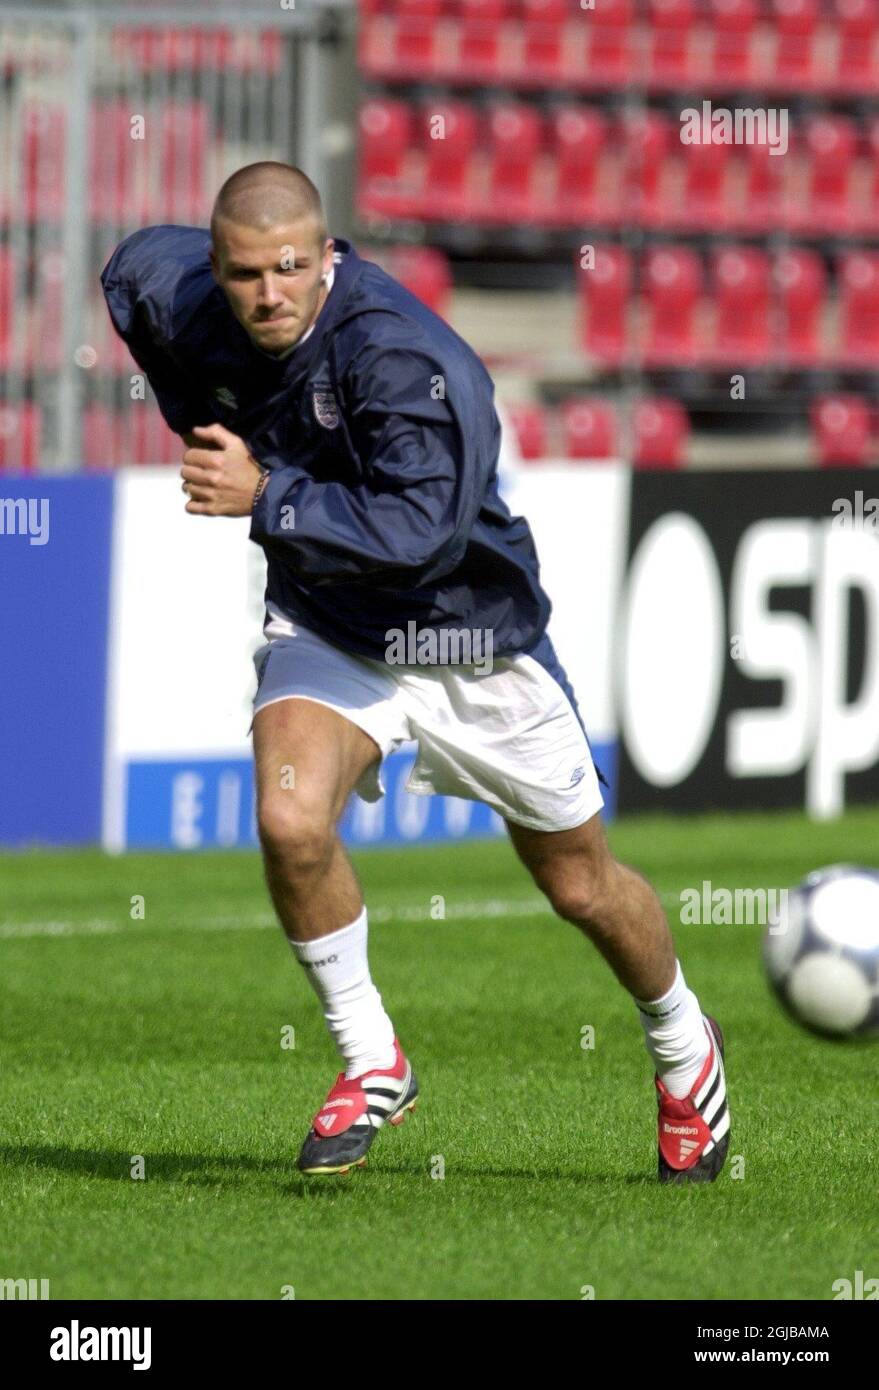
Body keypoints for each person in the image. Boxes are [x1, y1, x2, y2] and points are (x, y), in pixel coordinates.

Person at [101, 161, 730, 1182]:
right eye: (246, 272)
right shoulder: (177, 295)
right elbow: (131, 274)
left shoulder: (405, 360)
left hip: (468, 635)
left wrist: (266, 493)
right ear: (216, 268)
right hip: (332, 623)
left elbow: (422, 534)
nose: (268, 293)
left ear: (328, 255)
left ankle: (682, 1047)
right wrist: (207, 419)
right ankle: (371, 1055)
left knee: (580, 883)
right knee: (289, 817)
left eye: (290, 269)